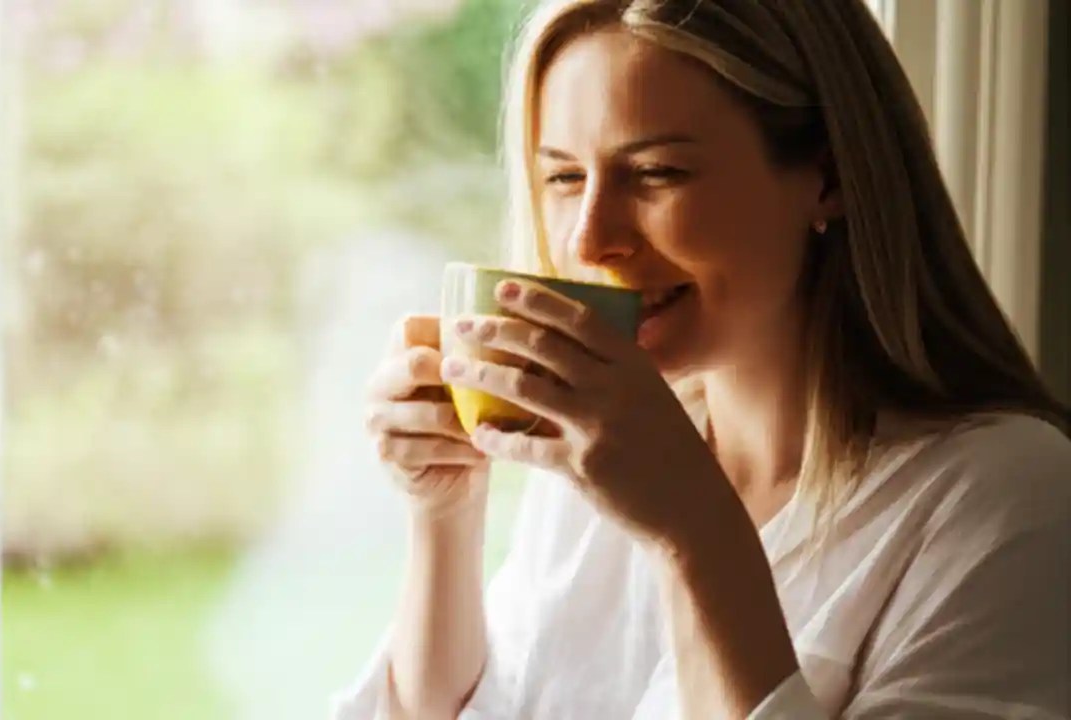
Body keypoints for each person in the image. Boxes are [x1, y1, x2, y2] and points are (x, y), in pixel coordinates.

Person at [332, 0, 1071, 717]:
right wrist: (445, 510)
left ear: (830, 176)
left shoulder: (1008, 499)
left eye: (657, 174)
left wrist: (693, 532)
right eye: (563, 177)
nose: (590, 241)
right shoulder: (594, 462)